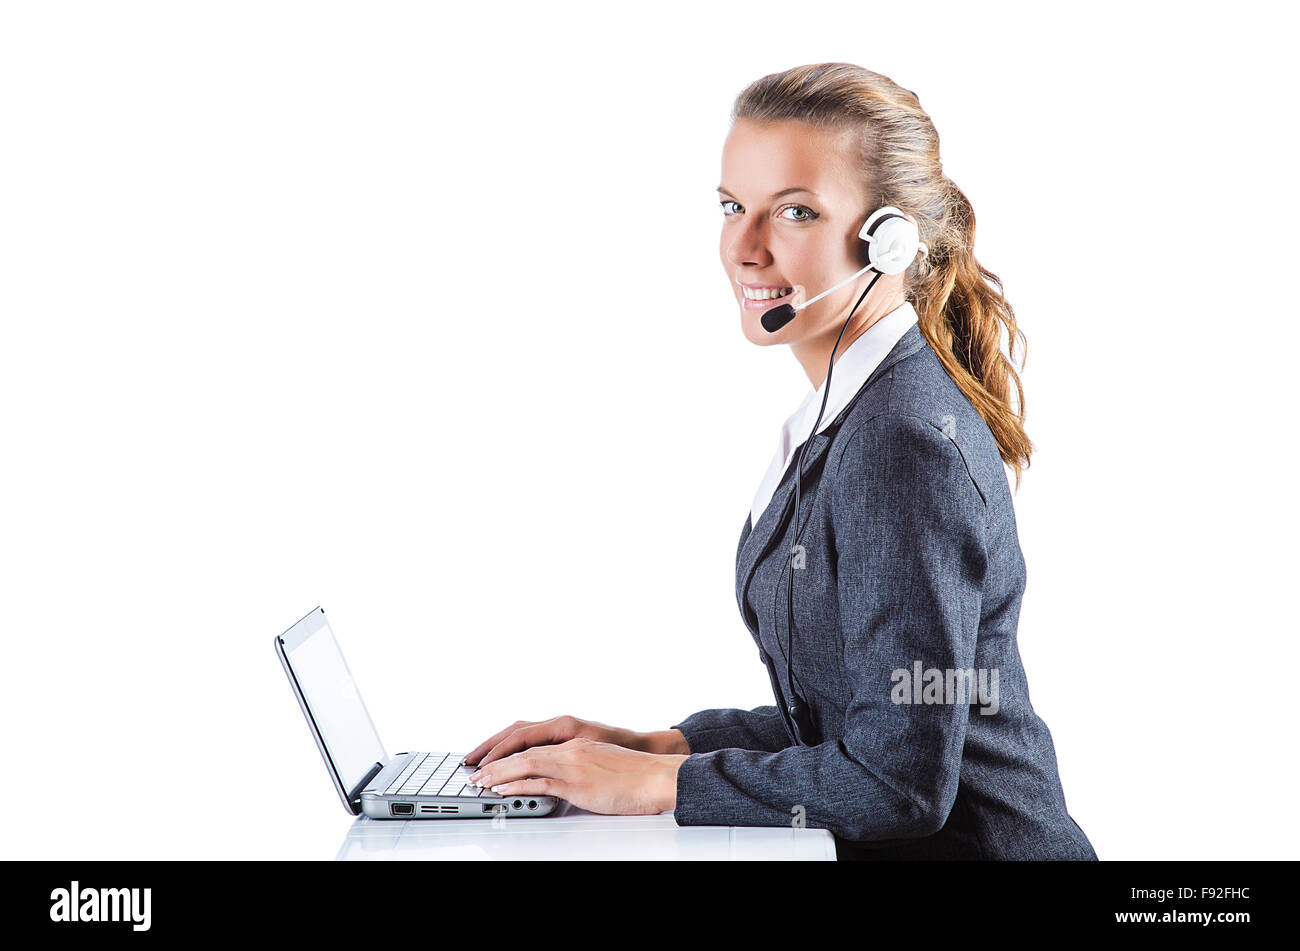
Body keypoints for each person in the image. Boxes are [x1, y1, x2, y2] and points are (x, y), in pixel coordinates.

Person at [463, 62, 1096, 860]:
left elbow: (898, 780)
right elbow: (851, 713)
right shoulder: (848, 412)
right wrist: (656, 746)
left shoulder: (900, 442)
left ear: (889, 241)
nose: (744, 248)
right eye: (732, 206)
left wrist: (663, 787)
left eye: (794, 211)